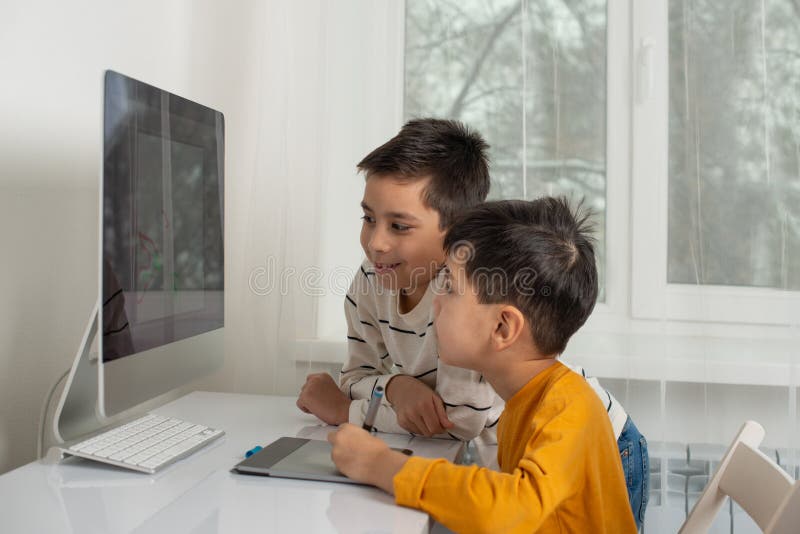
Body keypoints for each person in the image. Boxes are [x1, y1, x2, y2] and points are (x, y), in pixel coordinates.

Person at [295, 118, 647, 526]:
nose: (376, 242)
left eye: (399, 225)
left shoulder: (484, 300)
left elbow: (494, 474)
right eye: (369, 219)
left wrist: (378, 459)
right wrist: (394, 385)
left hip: (601, 445)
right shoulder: (520, 393)